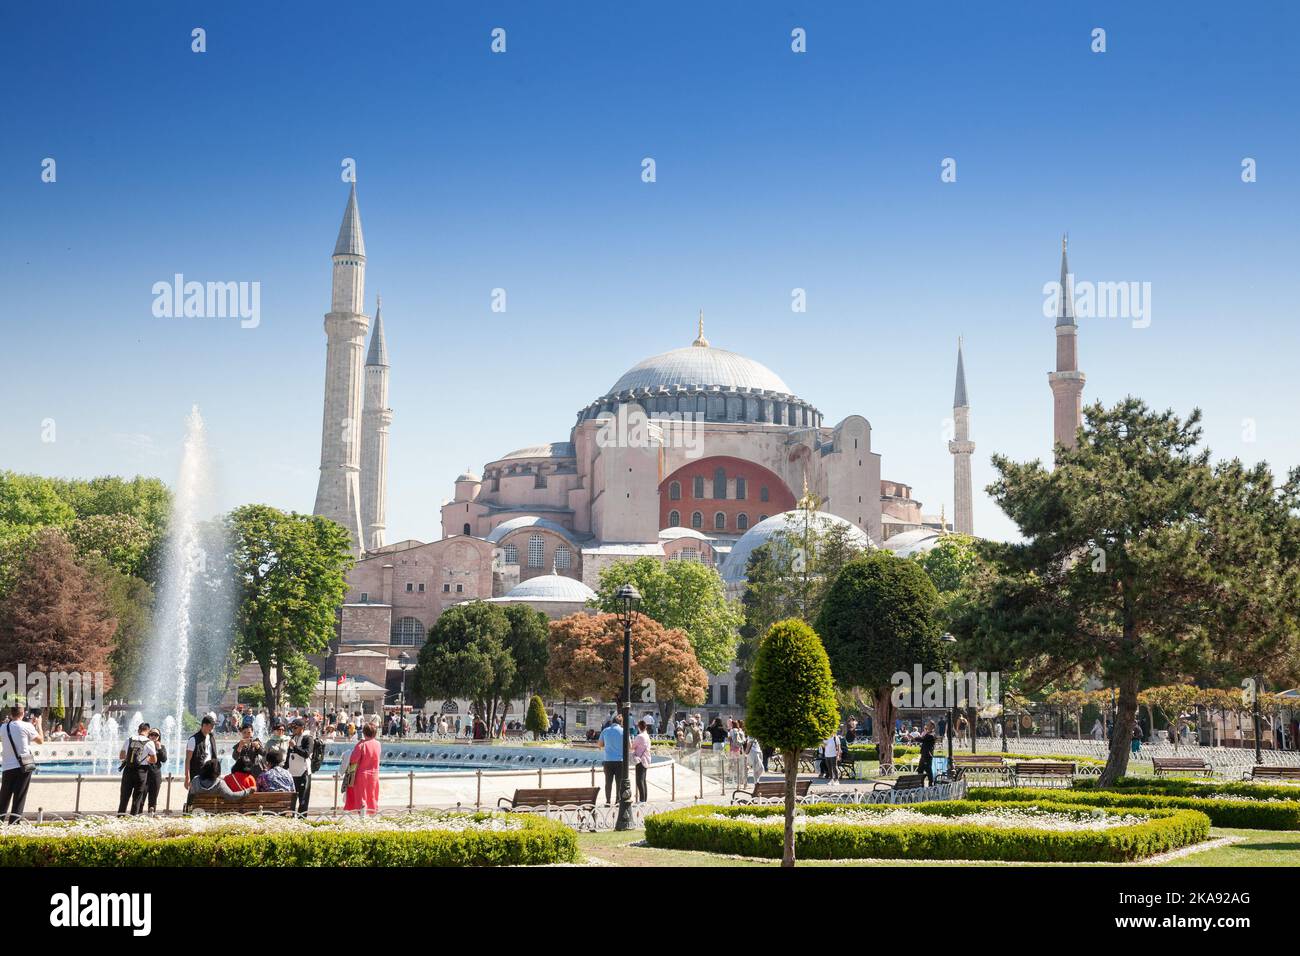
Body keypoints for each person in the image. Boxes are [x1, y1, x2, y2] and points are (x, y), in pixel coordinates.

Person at [0, 704, 42, 823]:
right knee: (19, 797)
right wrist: (38, 726)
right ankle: (14, 824)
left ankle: (0, 821)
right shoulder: (27, 726)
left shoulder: (3, 727)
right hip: (24, 765)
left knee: (4, 797)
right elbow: (41, 741)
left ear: (11, 713)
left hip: (7, 766)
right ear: (23, 713)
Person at [117, 722, 156, 815]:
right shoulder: (149, 742)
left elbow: (121, 756)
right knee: (137, 796)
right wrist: (147, 758)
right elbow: (154, 760)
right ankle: (133, 818)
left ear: (139, 730)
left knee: (124, 796)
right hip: (141, 771)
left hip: (128, 769)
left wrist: (130, 758)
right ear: (148, 731)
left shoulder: (129, 739)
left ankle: (120, 816)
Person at [343, 722, 381, 814]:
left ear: (364, 732)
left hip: (362, 775)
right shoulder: (378, 744)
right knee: (372, 796)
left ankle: (362, 818)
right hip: (374, 775)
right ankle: (372, 816)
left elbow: (353, 759)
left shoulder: (361, 745)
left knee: (362, 797)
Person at [286, 716, 315, 815]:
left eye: (295, 727)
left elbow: (307, 753)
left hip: (304, 773)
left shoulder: (308, 738)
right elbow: (288, 756)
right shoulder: (293, 737)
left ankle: (302, 820)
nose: (292, 729)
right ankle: (292, 819)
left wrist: (295, 747)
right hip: (293, 773)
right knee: (292, 798)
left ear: (302, 728)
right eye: (292, 727)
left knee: (303, 800)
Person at [189, 759, 254, 802]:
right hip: (215, 810)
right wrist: (248, 790)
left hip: (198, 809)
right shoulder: (219, 783)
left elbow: (190, 795)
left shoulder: (195, 780)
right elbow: (232, 796)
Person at [185, 714, 219, 790]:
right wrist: (187, 777)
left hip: (210, 774)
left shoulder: (211, 737)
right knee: (194, 797)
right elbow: (187, 760)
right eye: (211, 726)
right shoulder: (193, 740)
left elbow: (213, 756)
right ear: (204, 725)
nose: (213, 728)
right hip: (197, 774)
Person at [226, 724, 264, 792]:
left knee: (257, 789)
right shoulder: (240, 744)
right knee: (245, 789)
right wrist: (240, 746)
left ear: (252, 733)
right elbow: (235, 757)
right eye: (244, 732)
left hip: (256, 770)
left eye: (249, 732)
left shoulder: (256, 742)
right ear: (242, 734)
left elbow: (264, 753)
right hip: (243, 772)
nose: (247, 735)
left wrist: (258, 747)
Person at [599, 715, 626, 806]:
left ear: (612, 721)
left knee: (608, 782)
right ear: (621, 722)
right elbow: (629, 746)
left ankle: (607, 801)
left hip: (608, 760)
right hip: (619, 760)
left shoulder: (605, 731)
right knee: (619, 782)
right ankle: (618, 800)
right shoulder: (623, 731)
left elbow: (600, 744)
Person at [144, 728, 167, 813]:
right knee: (142, 795)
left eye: (156, 735)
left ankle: (151, 814)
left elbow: (164, 759)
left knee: (153, 798)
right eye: (151, 734)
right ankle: (138, 814)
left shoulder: (161, 746)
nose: (153, 736)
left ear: (159, 737)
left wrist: (159, 748)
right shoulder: (144, 745)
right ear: (148, 735)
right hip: (145, 773)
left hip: (155, 774)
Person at [631, 720, 652, 803]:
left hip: (640, 760)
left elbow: (632, 747)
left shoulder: (639, 736)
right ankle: (644, 799)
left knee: (639, 780)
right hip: (646, 759)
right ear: (646, 727)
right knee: (643, 780)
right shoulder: (647, 736)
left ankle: (642, 800)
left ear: (639, 727)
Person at [918, 720, 937, 786]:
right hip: (923, 754)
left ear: (932, 726)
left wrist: (914, 738)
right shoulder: (928, 733)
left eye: (928, 725)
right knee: (920, 770)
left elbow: (923, 739)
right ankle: (921, 784)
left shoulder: (931, 735)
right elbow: (923, 739)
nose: (927, 726)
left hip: (927, 755)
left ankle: (930, 784)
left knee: (928, 770)